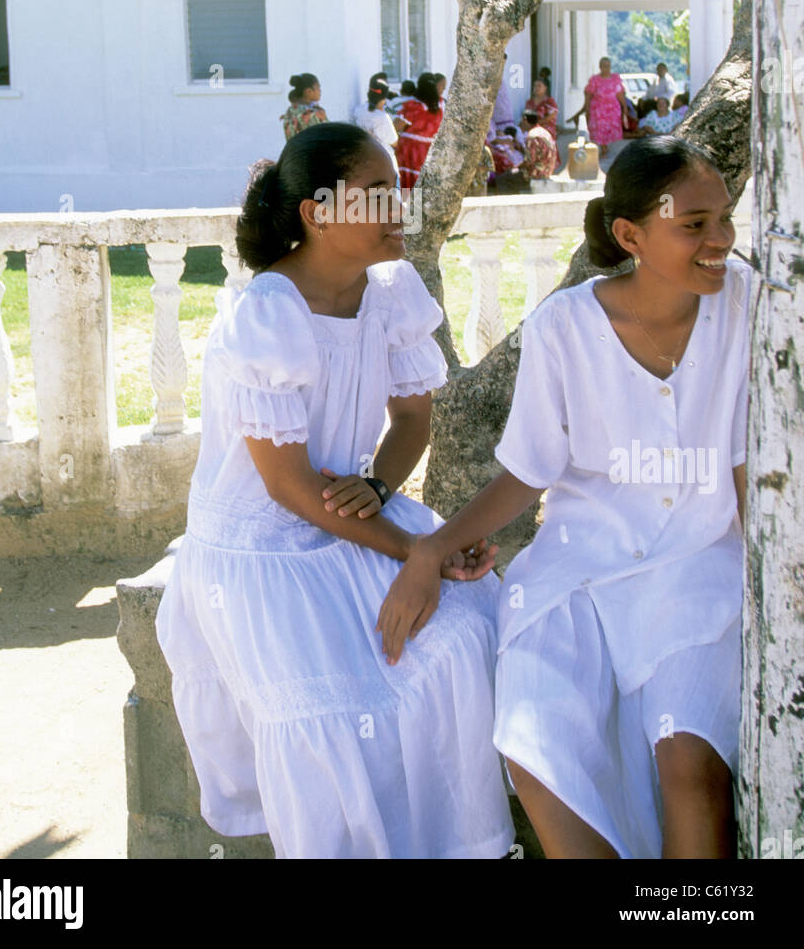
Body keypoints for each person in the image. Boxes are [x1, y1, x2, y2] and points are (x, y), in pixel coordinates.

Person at [375, 135, 751, 860]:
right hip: (577, 576)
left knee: (690, 766)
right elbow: (528, 471)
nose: (721, 241)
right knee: (534, 748)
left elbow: (743, 473)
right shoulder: (565, 327)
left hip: (700, 572)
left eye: (725, 218)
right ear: (629, 235)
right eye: (694, 224)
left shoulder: (748, 308)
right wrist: (430, 550)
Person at [155, 122, 515, 860]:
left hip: (351, 515)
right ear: (318, 214)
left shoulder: (390, 292)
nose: (399, 210)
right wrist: (419, 550)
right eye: (377, 194)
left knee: (468, 637)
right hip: (259, 546)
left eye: (398, 190)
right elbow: (286, 487)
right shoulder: (268, 314)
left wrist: (380, 486)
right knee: (332, 716)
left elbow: (414, 418)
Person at [396, 72, 444, 191]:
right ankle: (418, 209)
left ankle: (408, 208)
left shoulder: (414, 107)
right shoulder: (440, 105)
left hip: (409, 151)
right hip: (429, 151)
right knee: (421, 186)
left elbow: (396, 126)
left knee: (407, 185)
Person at [352, 78, 400, 169]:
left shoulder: (358, 110)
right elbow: (394, 142)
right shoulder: (383, 117)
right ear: (384, 99)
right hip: (384, 162)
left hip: (365, 159)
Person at [583, 57, 627, 156]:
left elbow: (619, 94)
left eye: (607, 66)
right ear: (600, 67)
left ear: (610, 67)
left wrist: (625, 107)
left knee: (609, 129)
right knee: (600, 128)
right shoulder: (595, 80)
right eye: (603, 66)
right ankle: (603, 147)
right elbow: (589, 94)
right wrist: (587, 107)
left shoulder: (615, 79)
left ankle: (605, 146)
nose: (606, 68)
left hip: (612, 108)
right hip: (599, 109)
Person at [505, 110, 558, 190]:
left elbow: (529, 161)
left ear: (525, 120)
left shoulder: (532, 135)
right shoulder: (544, 132)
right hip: (548, 171)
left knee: (503, 178)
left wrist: (515, 167)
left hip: (536, 173)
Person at [523, 77, 560, 169]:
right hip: (532, 129)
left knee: (546, 147)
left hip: (546, 129)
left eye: (539, 86)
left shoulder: (549, 101)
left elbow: (552, 115)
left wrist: (538, 123)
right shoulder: (530, 102)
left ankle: (548, 167)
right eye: (535, 86)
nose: (536, 88)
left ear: (545, 88)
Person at [280, 73, 328, 141]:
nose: (320, 90)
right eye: (318, 87)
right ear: (308, 91)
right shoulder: (314, 114)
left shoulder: (289, 112)